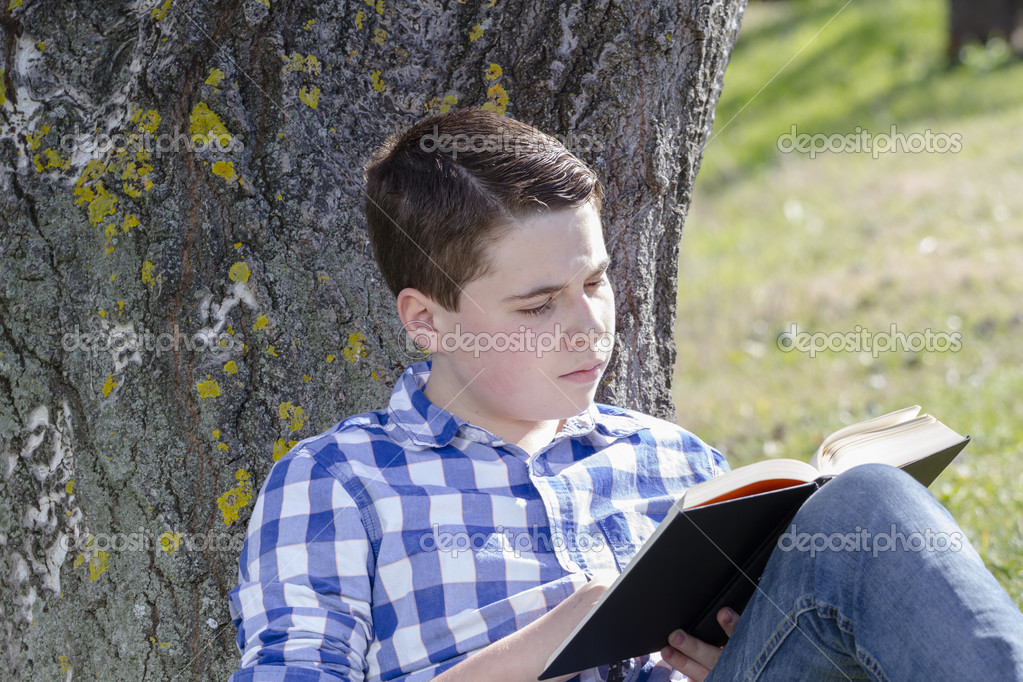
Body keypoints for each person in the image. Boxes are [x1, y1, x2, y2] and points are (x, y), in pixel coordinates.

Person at [227, 107, 1023, 681]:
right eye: (537, 305)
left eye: (596, 281)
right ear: (426, 320)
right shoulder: (338, 483)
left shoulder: (667, 457)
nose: (587, 327)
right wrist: (550, 638)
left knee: (862, 506)